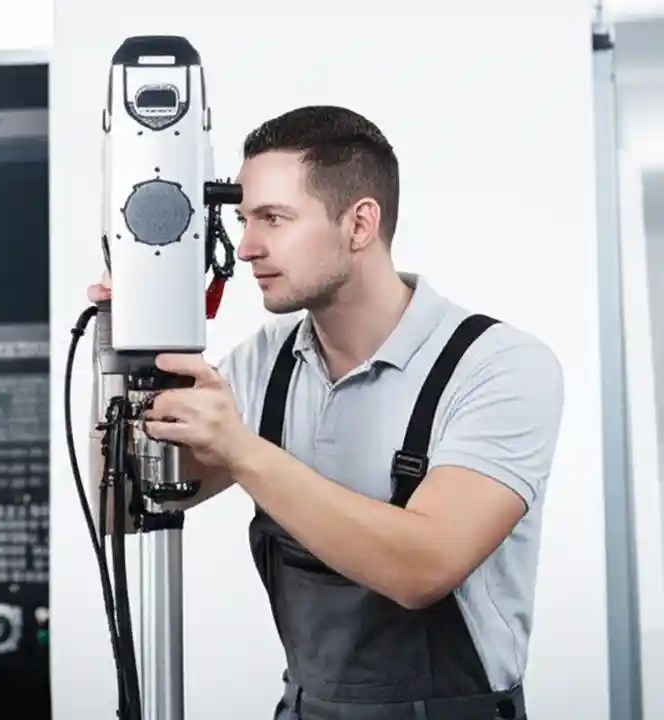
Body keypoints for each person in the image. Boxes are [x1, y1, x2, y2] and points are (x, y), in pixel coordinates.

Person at [87, 105, 563, 720]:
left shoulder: (498, 366)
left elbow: (424, 567)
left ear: (360, 223)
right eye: (243, 220)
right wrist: (124, 354)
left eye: (274, 219)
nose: (249, 246)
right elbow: (123, 509)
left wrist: (242, 449)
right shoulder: (266, 362)